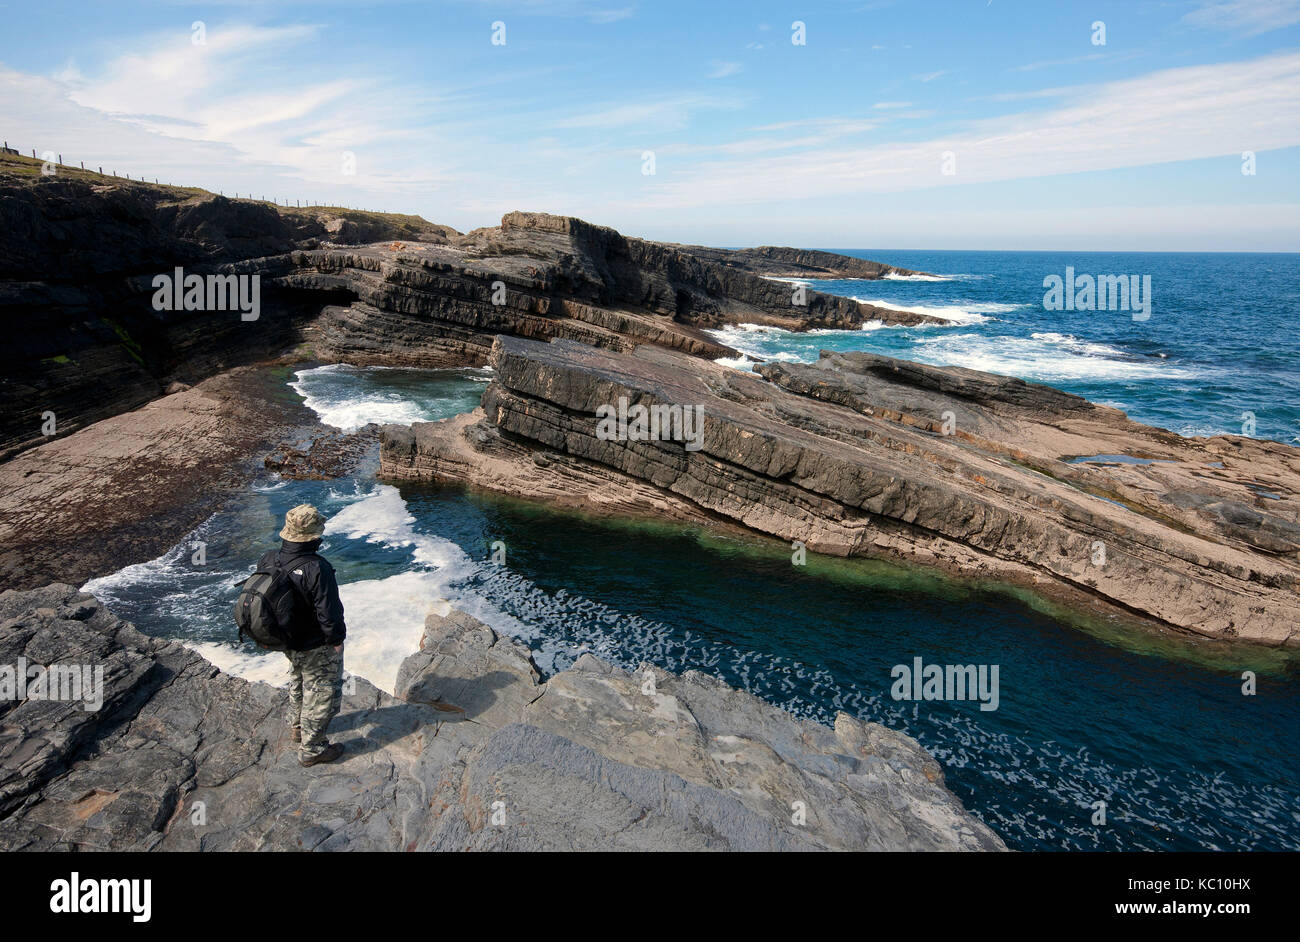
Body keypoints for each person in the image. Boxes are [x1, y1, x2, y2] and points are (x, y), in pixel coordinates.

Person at [259, 503, 347, 767]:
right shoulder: (317, 568)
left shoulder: (269, 558)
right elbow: (328, 613)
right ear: (315, 536)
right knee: (321, 692)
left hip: (285, 639)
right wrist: (336, 641)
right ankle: (312, 749)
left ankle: (297, 727)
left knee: (297, 678)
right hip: (314, 643)